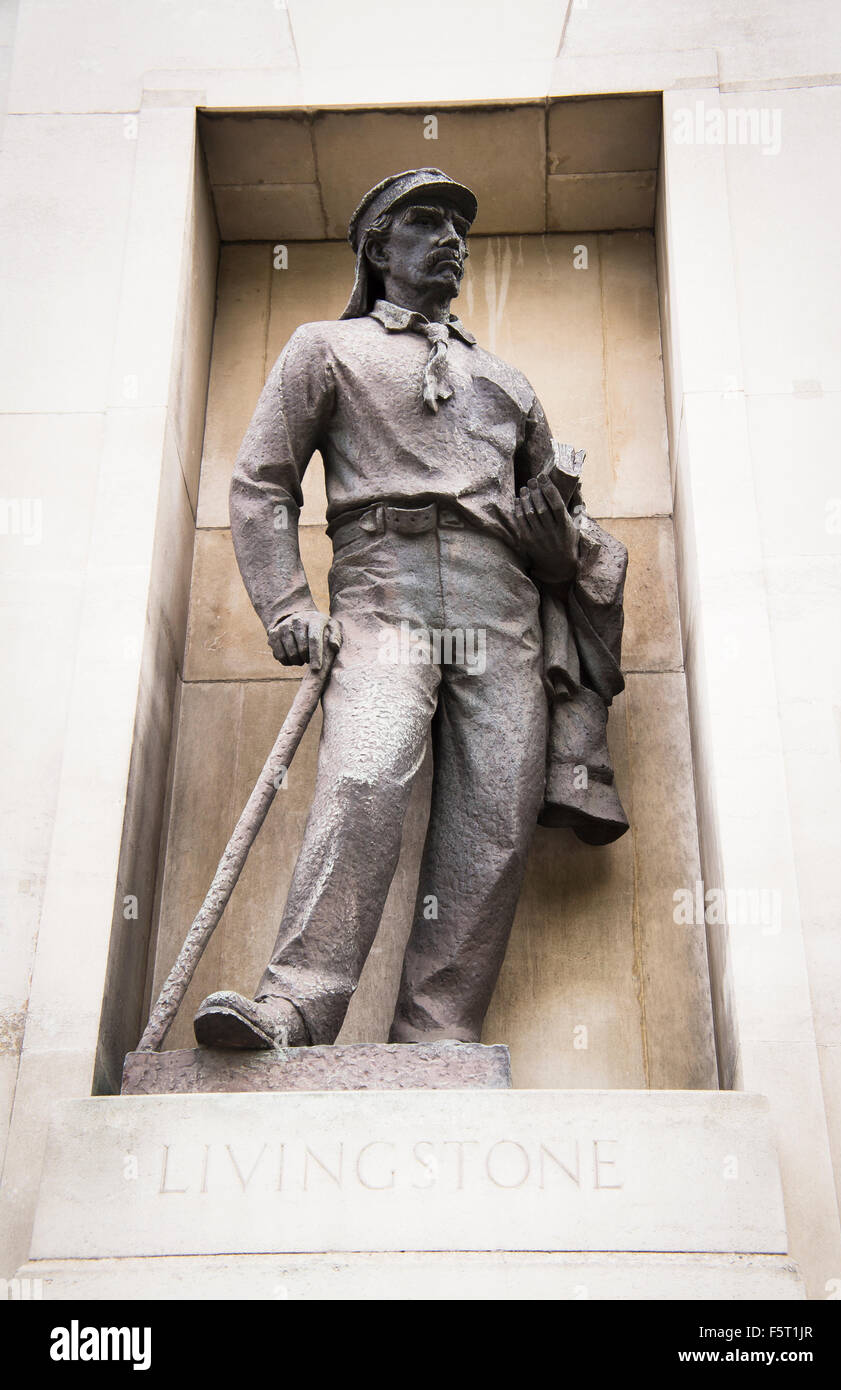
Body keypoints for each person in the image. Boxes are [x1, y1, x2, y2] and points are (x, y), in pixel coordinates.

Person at [194, 168, 627, 1051]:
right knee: (362, 778)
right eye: (424, 222)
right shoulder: (325, 348)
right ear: (377, 248)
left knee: (494, 817)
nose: (449, 240)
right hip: (381, 587)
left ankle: (438, 1033)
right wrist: (285, 603)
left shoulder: (508, 384)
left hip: (498, 599)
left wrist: (558, 547)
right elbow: (262, 485)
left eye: (457, 227)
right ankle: (294, 1007)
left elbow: (566, 532)